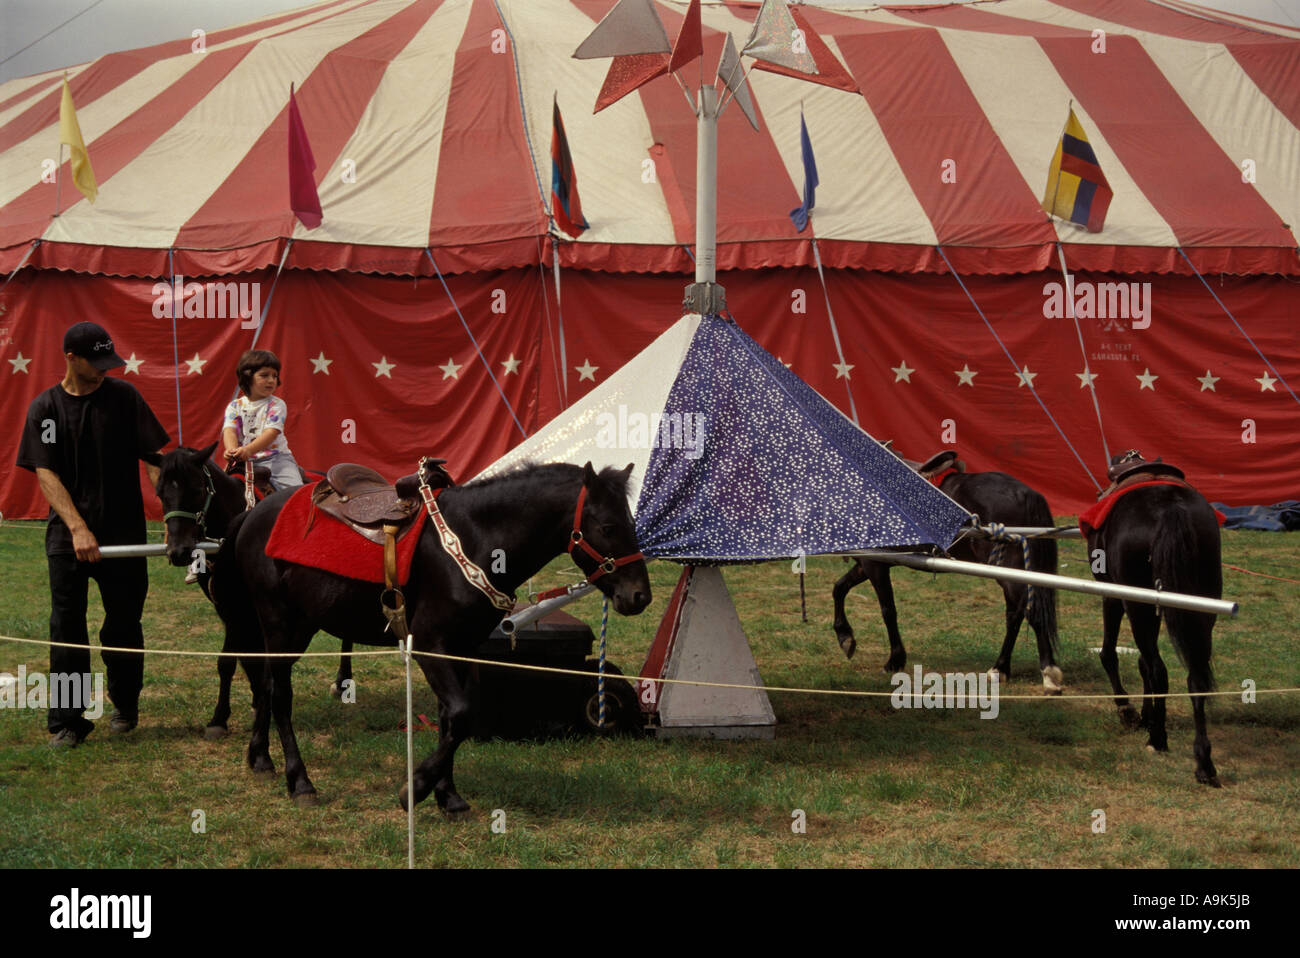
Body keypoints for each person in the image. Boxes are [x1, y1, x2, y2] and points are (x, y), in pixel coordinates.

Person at [16, 321, 170, 747]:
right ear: (71, 357)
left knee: (124, 624)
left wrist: (172, 514)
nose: (105, 370)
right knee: (67, 627)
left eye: (109, 361)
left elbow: (153, 458)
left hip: (125, 536)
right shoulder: (45, 409)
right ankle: (68, 720)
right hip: (69, 538)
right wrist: (79, 528)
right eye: (96, 362)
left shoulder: (124, 398)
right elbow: (44, 472)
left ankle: (125, 702)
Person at [222, 349, 302, 492]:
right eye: (264, 375)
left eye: (275, 376)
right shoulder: (234, 406)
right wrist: (232, 450)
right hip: (243, 461)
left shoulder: (276, 404)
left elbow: (270, 432)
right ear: (247, 377)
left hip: (276, 460)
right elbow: (230, 431)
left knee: (295, 492)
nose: (271, 380)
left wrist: (248, 450)